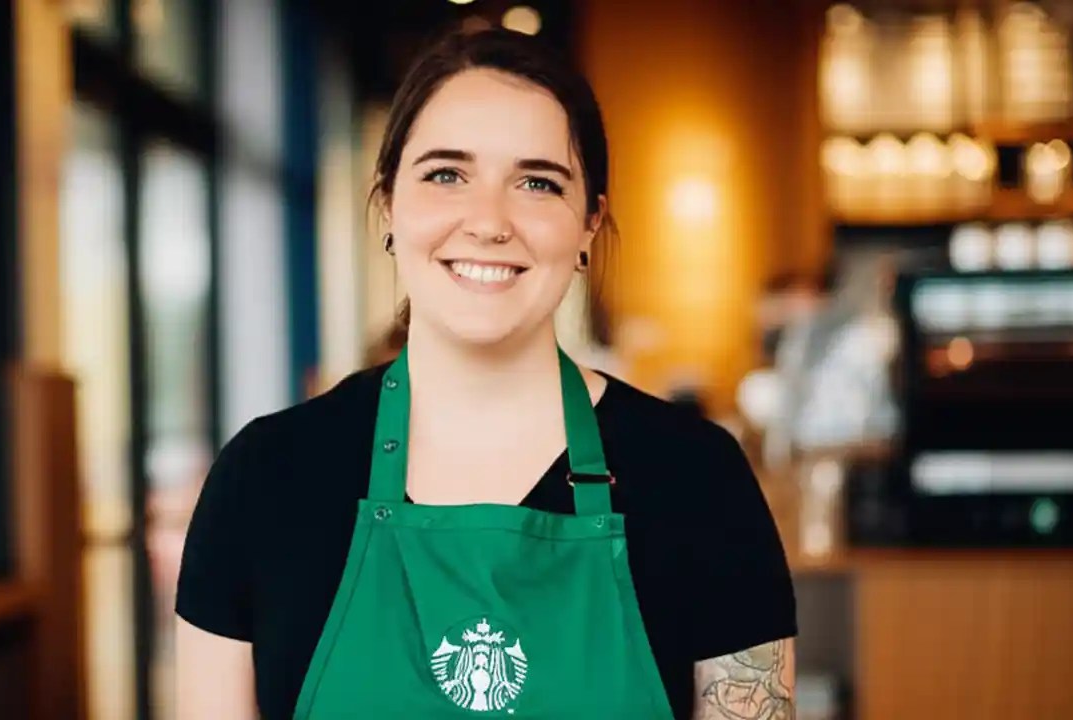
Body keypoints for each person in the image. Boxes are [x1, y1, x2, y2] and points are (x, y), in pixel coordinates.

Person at [174, 28, 797, 719]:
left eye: (537, 183)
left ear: (589, 223)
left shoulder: (700, 479)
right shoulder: (264, 477)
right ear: (387, 202)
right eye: (447, 174)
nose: (489, 221)